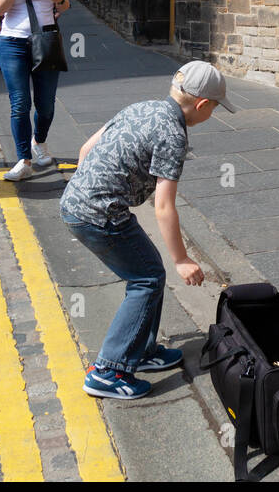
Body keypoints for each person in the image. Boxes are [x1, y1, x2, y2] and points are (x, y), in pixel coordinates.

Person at [60, 62, 233, 399]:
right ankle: (109, 371)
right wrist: (182, 259)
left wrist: (87, 190)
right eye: (215, 106)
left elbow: (85, 150)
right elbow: (164, 205)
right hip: (100, 214)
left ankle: (140, 349)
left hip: (76, 201)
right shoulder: (173, 135)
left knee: (148, 271)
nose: (214, 112)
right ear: (202, 105)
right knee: (148, 278)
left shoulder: (142, 107)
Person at [0, 0, 70, 181]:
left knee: (45, 104)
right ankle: (23, 159)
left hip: (45, 42)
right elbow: (0, 10)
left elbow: (65, 4)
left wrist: (58, 0)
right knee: (20, 103)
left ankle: (40, 141)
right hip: (13, 43)